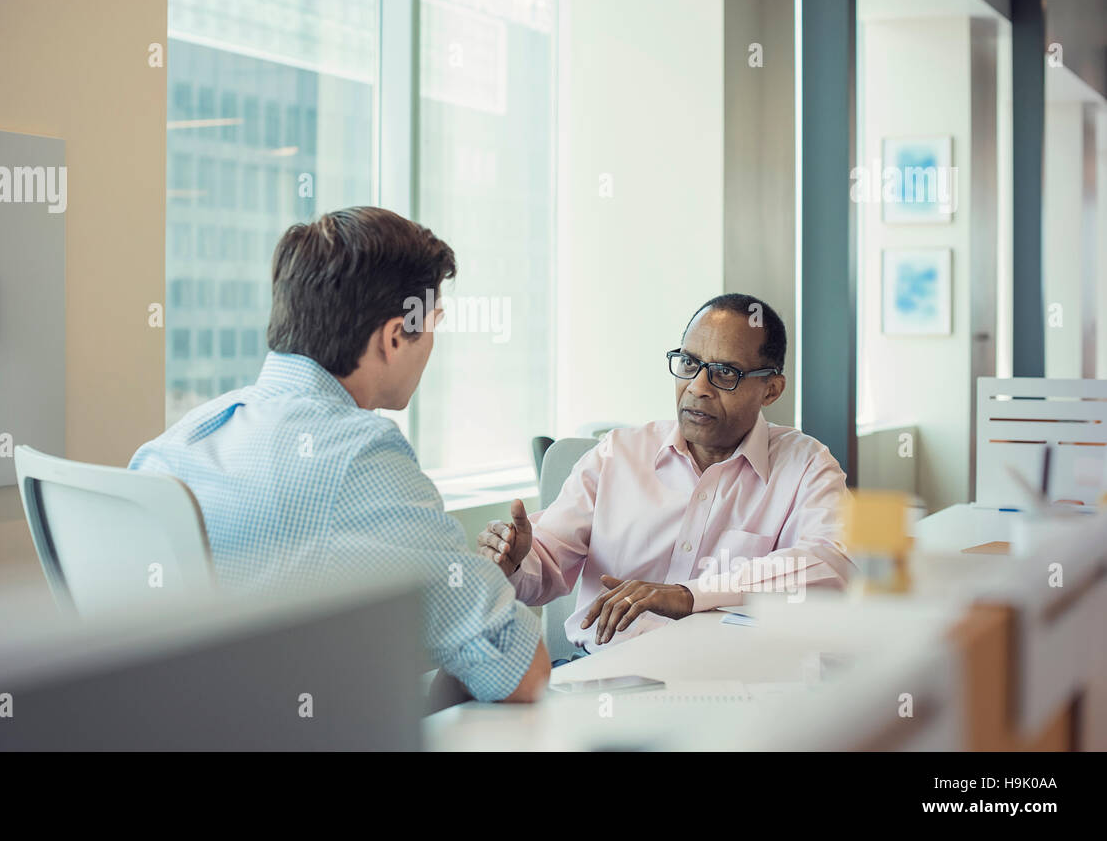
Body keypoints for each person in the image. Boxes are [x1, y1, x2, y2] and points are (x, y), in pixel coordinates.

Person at [130, 206, 549, 704]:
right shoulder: (358, 456)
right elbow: (524, 674)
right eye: (433, 323)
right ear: (395, 338)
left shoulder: (178, 443)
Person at [478, 294, 855, 656]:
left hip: (735, 686)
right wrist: (515, 562)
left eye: (724, 373)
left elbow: (834, 563)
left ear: (771, 389)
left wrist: (690, 594)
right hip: (604, 676)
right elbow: (544, 564)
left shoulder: (806, 465)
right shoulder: (617, 455)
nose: (698, 387)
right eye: (689, 364)